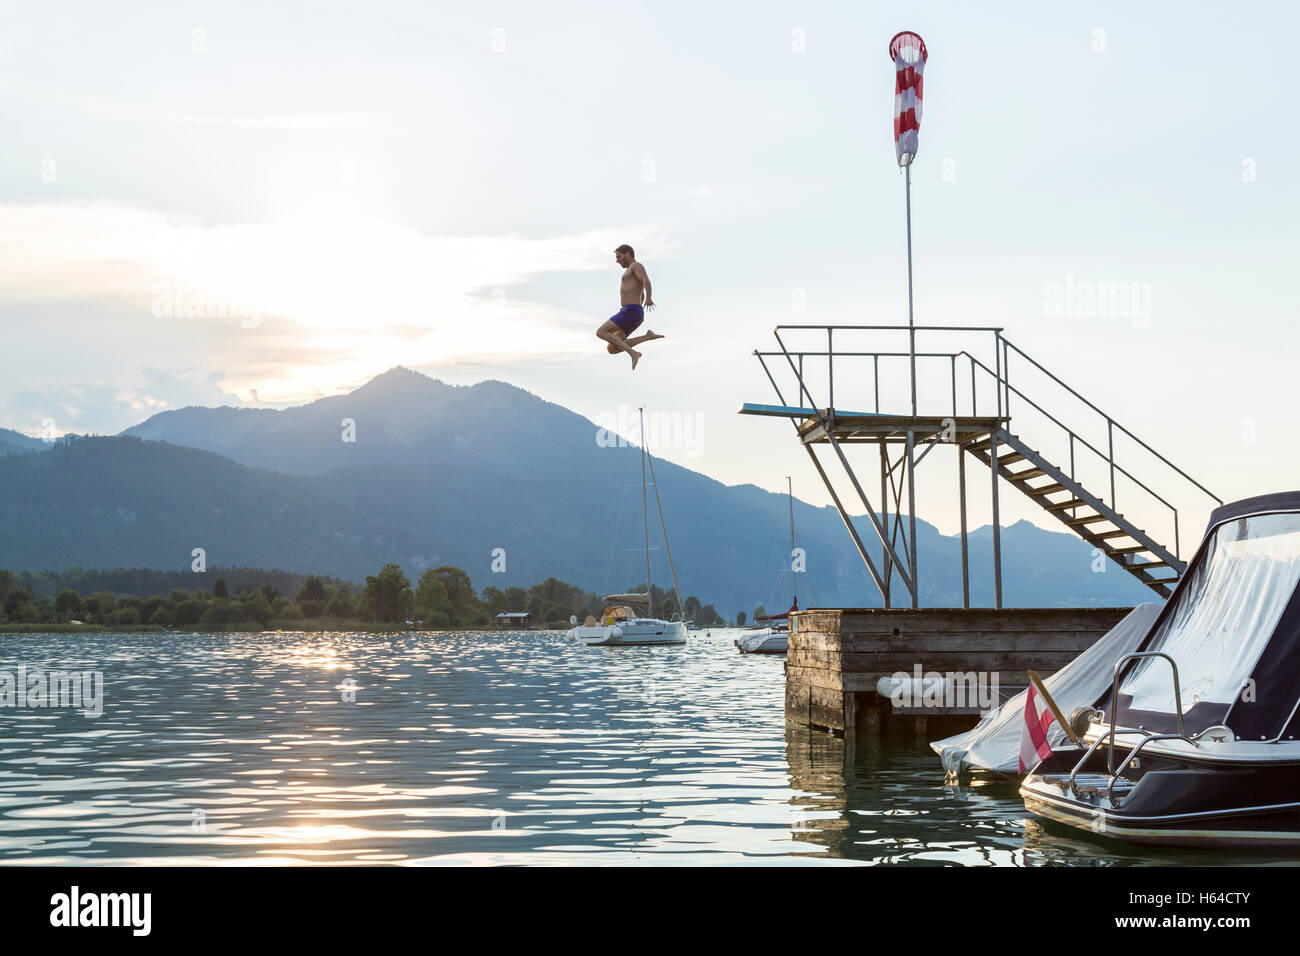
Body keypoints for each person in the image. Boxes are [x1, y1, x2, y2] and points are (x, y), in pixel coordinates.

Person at [596, 244, 663, 369]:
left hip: (631, 311)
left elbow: (645, 280)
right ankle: (647, 337)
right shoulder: (630, 270)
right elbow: (640, 289)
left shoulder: (636, 266)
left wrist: (648, 298)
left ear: (627, 253)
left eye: (619, 257)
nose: (617, 261)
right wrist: (641, 301)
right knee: (612, 348)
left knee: (601, 332)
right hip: (633, 312)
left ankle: (633, 354)